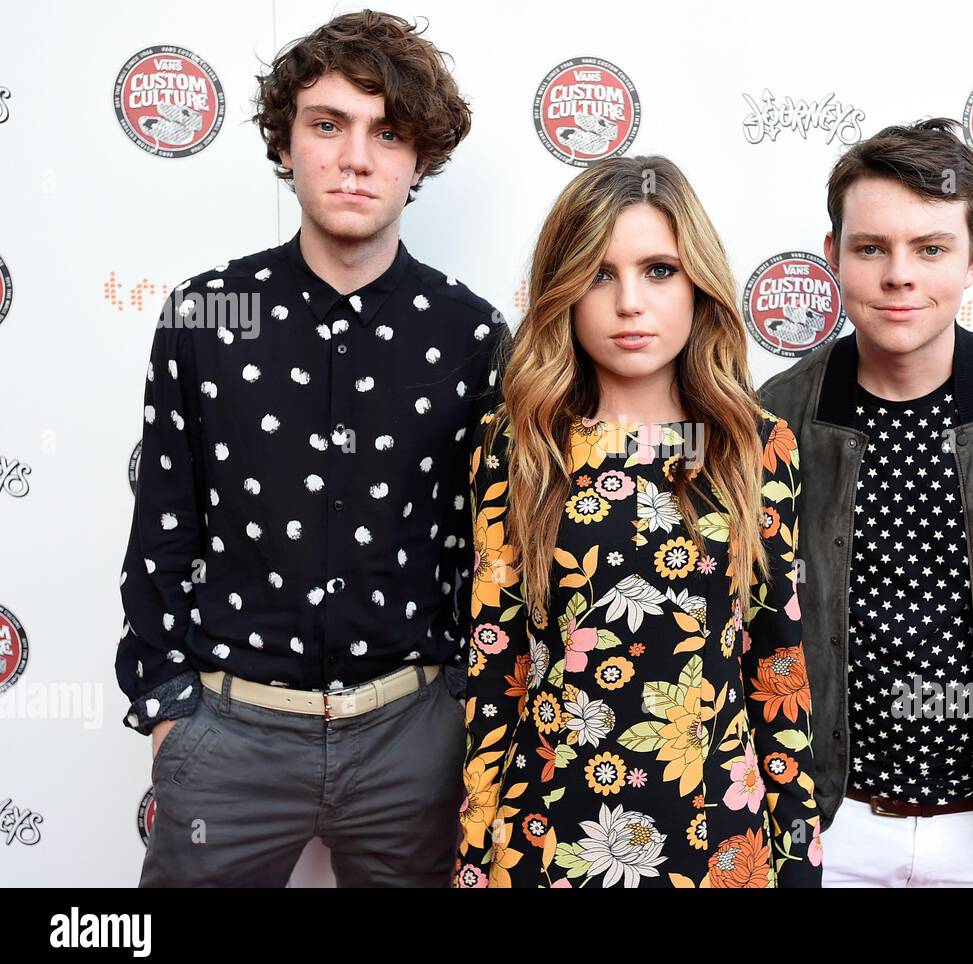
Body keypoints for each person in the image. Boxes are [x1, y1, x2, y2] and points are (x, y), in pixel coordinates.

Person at [115, 10, 509, 886]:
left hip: (415, 740)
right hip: (228, 733)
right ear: (286, 142)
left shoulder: (472, 333)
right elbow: (163, 526)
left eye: (388, 132)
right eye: (327, 124)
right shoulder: (207, 313)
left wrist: (459, 711)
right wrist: (171, 710)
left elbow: (489, 548)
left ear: (419, 159)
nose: (356, 156)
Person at [453, 155, 821, 888]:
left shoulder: (757, 446)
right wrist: (473, 853)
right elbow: (496, 666)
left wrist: (798, 853)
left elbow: (777, 667)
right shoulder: (517, 444)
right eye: (598, 272)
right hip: (548, 832)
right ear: (562, 288)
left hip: (720, 838)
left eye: (658, 270)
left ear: (698, 283)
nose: (629, 302)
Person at [760, 118, 973, 887]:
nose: (899, 275)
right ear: (833, 255)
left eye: (931, 248)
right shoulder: (773, 417)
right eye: (872, 247)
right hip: (828, 824)